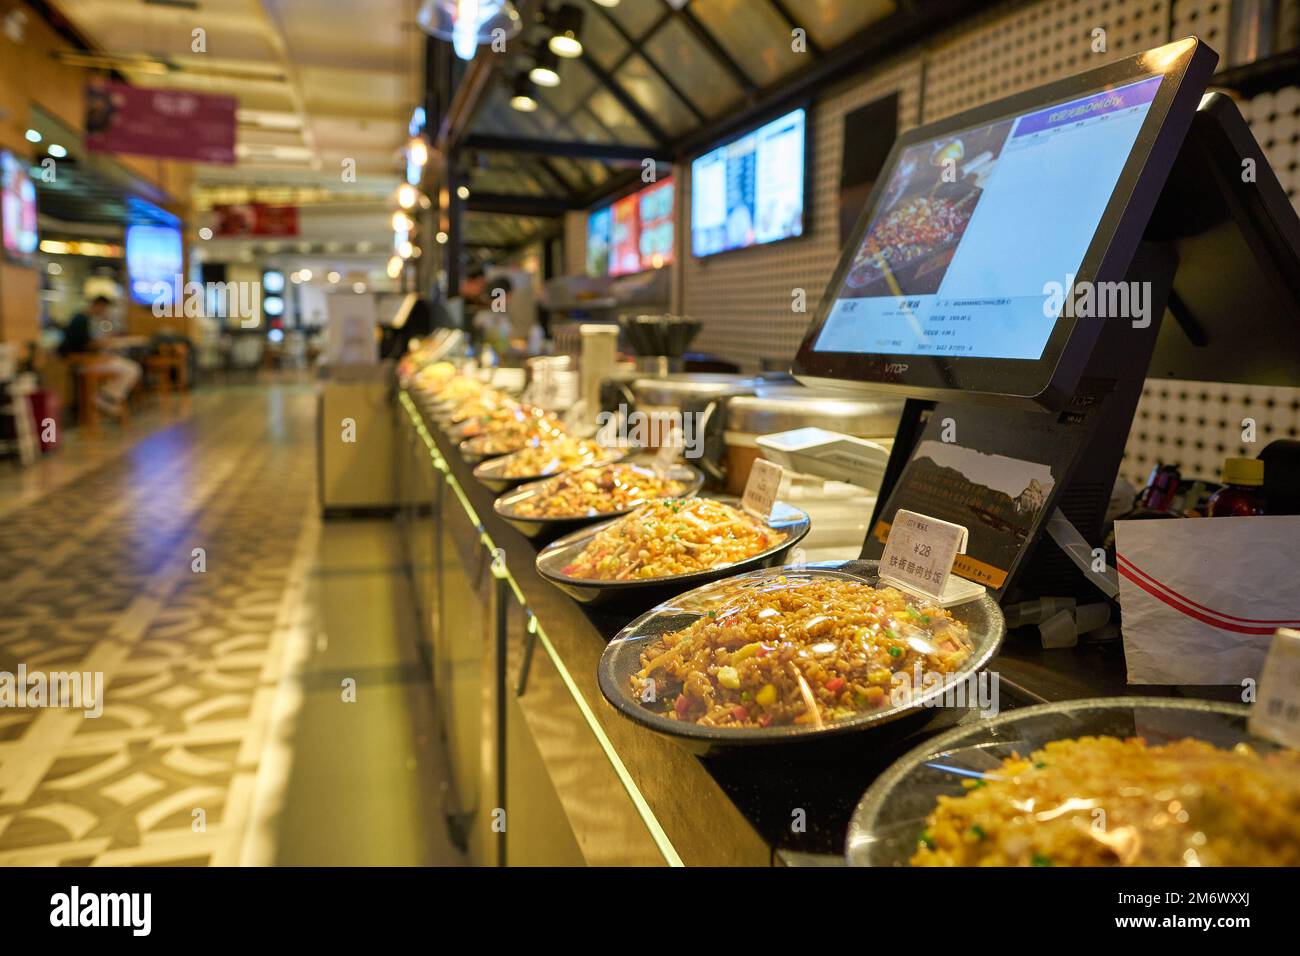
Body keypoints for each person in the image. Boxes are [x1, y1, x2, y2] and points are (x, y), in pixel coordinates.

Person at [58, 295, 141, 419]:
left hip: (91, 358)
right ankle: (106, 398)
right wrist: (105, 343)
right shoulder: (81, 319)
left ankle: (107, 397)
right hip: (83, 360)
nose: (105, 312)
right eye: (104, 309)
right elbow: (84, 344)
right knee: (131, 369)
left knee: (130, 367)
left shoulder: (87, 319)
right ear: (98, 306)